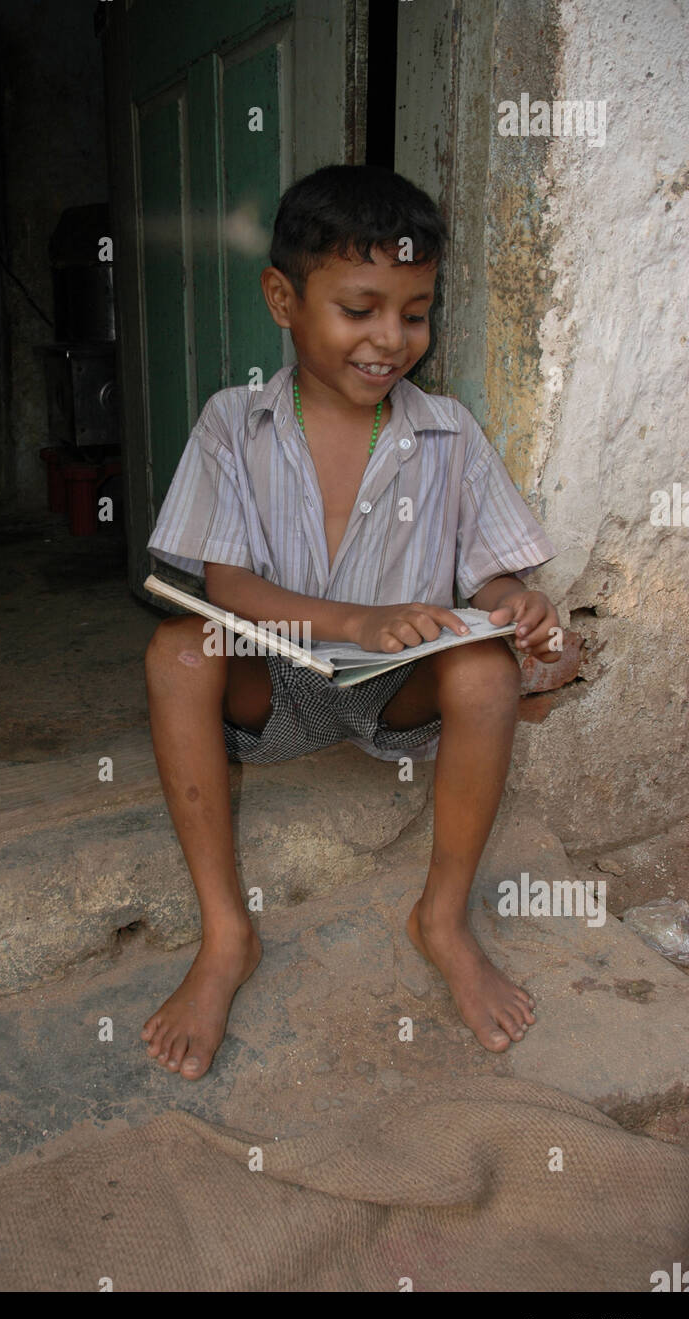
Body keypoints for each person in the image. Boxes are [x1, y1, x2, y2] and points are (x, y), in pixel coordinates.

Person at [141, 164, 559, 1080]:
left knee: (487, 665)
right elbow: (227, 584)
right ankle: (225, 936)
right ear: (283, 299)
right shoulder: (233, 423)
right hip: (275, 691)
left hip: (391, 702)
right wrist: (357, 621)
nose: (390, 340)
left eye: (414, 313)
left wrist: (510, 604)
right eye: (360, 309)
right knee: (178, 649)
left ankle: (442, 919)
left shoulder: (446, 430)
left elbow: (490, 571)